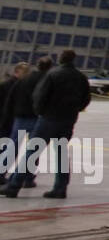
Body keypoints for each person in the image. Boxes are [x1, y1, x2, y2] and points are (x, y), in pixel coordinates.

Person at [5, 51, 90, 198]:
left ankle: (14, 186)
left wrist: (41, 112)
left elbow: (39, 95)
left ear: (60, 59)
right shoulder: (81, 77)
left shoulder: (53, 74)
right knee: (61, 155)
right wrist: (75, 110)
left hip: (49, 118)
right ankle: (60, 188)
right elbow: (86, 98)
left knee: (32, 151)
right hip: (68, 120)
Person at [3, 57, 50, 191]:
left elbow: (11, 99)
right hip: (37, 118)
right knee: (34, 149)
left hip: (20, 118)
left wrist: (8, 117)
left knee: (12, 147)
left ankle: (2, 172)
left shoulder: (23, 80)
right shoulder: (47, 80)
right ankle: (28, 178)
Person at [0, 62, 29, 185]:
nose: (26, 75)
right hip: (6, 121)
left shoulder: (21, 85)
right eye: (25, 72)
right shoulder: (6, 85)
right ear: (17, 72)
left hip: (13, 121)